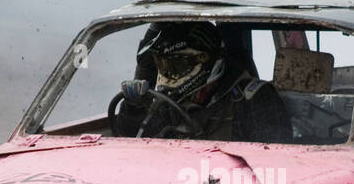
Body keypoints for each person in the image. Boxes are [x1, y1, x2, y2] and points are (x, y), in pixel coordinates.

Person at [114, 22, 292, 142]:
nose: (168, 75)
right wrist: (133, 108)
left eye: (176, 66)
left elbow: (276, 164)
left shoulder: (255, 99)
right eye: (162, 65)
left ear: (204, 59)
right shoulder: (168, 102)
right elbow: (133, 146)